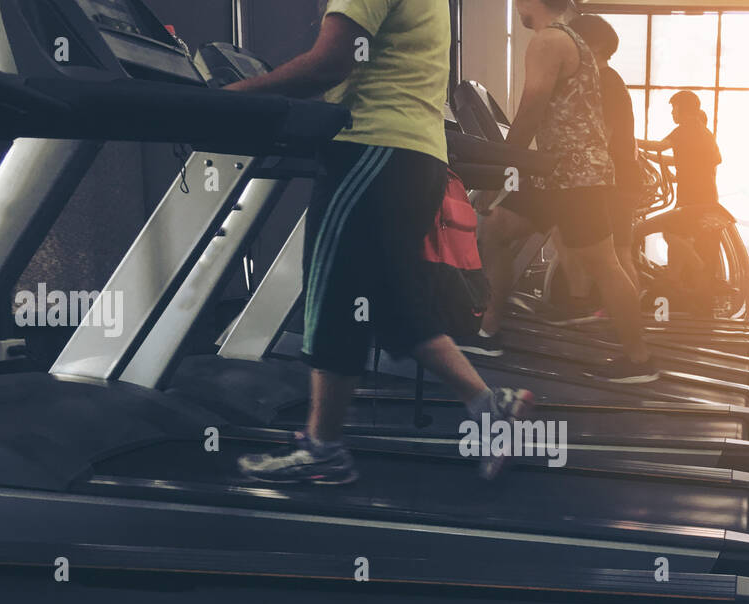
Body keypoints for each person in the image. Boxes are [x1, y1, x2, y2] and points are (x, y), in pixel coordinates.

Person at [223, 0, 532, 485]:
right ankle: (490, 405)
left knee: (331, 296)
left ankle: (322, 448)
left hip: (372, 147)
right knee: (390, 302)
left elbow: (330, 63)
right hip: (414, 155)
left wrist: (234, 95)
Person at [466, 0, 658, 383]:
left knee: (604, 262)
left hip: (573, 176)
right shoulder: (568, 39)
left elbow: (530, 113)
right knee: (496, 230)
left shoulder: (548, 41)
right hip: (554, 173)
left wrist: (496, 175)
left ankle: (639, 361)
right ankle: (489, 332)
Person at [551, 12, 643, 304]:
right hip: (620, 177)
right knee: (610, 253)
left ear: (596, 46)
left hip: (613, 180)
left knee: (613, 255)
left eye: (577, 41)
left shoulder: (602, 80)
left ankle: (623, 319)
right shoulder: (606, 80)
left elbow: (601, 135)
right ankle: (610, 316)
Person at [638, 90, 728, 314]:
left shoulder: (684, 129)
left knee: (671, 235)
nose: (671, 113)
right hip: (705, 198)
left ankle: (694, 269)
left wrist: (630, 141)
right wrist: (656, 159)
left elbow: (660, 146)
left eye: (673, 108)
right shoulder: (703, 132)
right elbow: (704, 160)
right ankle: (675, 282)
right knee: (681, 241)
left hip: (693, 202)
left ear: (684, 110)